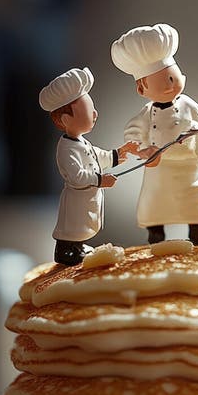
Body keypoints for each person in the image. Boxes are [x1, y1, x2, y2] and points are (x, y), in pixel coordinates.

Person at [111, 23, 198, 247]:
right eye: (163, 80)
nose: (170, 85)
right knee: (156, 203)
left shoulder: (188, 104)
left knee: (195, 199)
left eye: (173, 78)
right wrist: (141, 149)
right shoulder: (147, 114)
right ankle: (156, 236)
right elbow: (133, 131)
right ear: (142, 90)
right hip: (160, 166)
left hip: (189, 166)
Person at [39, 67, 138, 266]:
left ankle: (78, 246)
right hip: (77, 199)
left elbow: (96, 156)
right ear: (67, 120)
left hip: (88, 198)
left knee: (82, 226)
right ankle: (66, 251)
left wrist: (118, 154)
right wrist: (100, 180)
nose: (95, 114)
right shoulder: (66, 148)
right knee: (72, 227)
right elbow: (76, 175)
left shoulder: (82, 142)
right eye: (88, 110)